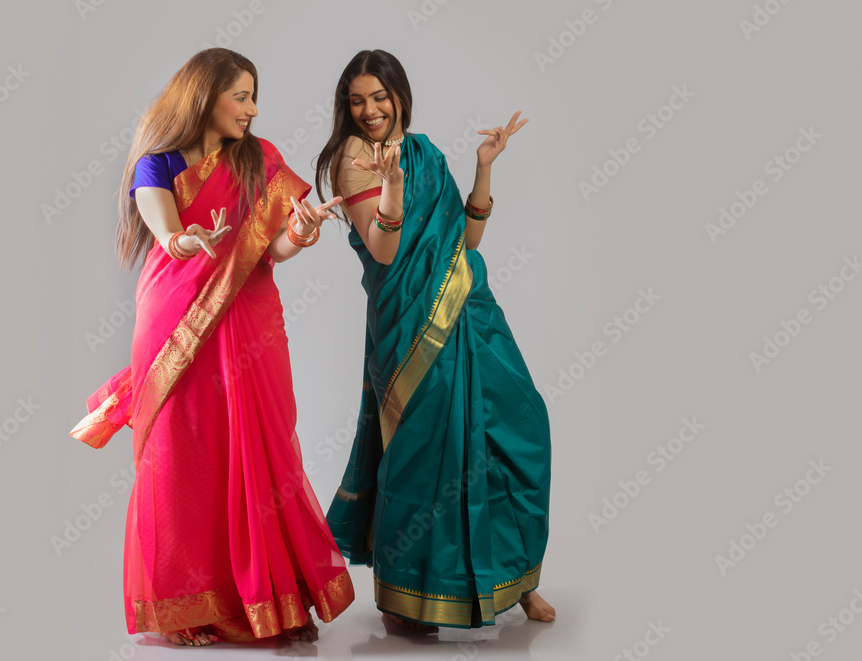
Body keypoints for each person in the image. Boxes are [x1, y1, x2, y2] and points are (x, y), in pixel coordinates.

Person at [70, 48, 353, 647]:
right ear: (205, 97)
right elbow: (167, 234)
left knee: (262, 448)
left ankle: (268, 598)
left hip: (250, 320)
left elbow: (273, 249)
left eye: (254, 96)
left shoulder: (259, 159)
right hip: (174, 316)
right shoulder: (157, 162)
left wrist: (299, 233)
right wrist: (185, 240)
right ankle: (182, 609)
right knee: (181, 455)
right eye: (241, 96)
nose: (253, 109)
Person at [316, 49, 555, 630]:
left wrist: (484, 168)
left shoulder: (425, 151)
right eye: (357, 101)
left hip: (471, 310)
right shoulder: (354, 158)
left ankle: (516, 578)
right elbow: (385, 251)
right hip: (409, 328)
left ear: (399, 95)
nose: (370, 110)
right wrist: (392, 185)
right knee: (427, 456)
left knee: (514, 434)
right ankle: (408, 595)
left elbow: (467, 242)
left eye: (379, 97)